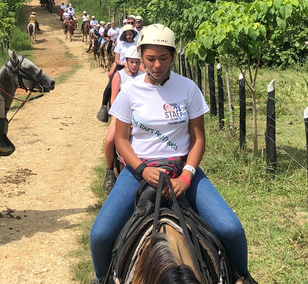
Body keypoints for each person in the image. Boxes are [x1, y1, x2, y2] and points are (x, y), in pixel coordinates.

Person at [89, 24, 253, 283]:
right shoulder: (130, 92)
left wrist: (187, 177)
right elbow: (121, 139)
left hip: (183, 169)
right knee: (100, 234)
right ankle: (101, 279)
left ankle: (243, 277)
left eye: (163, 59)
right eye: (150, 59)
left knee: (231, 228)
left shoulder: (188, 88)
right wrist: (142, 169)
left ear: (173, 57)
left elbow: (198, 139)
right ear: (141, 57)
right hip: (139, 170)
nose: (157, 65)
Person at [102, 47, 144, 193]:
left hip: (138, 116)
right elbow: (113, 99)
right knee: (109, 140)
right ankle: (109, 172)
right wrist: (120, 116)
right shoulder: (119, 76)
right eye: (132, 62)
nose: (134, 65)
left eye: (137, 62)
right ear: (126, 62)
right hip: (121, 115)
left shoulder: (143, 76)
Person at [96, 24, 137, 122]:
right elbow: (117, 59)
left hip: (135, 67)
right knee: (110, 86)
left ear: (133, 34)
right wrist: (124, 63)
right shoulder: (120, 44)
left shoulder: (137, 44)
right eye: (126, 34)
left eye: (130, 34)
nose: (128, 36)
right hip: (121, 67)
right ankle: (104, 106)